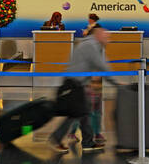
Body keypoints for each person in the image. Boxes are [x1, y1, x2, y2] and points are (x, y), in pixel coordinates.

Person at [49, 23, 116, 153]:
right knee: (77, 113)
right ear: (98, 36)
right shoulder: (91, 46)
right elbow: (102, 65)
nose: (108, 40)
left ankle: (87, 143)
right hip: (74, 84)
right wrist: (116, 82)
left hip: (77, 83)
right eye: (106, 37)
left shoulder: (91, 45)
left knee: (83, 112)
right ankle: (57, 138)